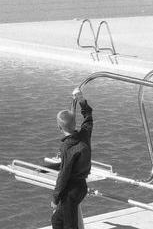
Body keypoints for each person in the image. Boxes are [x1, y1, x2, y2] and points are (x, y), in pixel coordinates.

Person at [51, 88, 93, 229]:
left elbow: (64, 174)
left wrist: (55, 198)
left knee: (68, 225)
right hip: (81, 187)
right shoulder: (84, 134)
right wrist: (81, 101)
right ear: (75, 124)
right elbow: (88, 117)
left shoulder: (67, 147)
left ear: (59, 127)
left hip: (70, 191)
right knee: (57, 220)